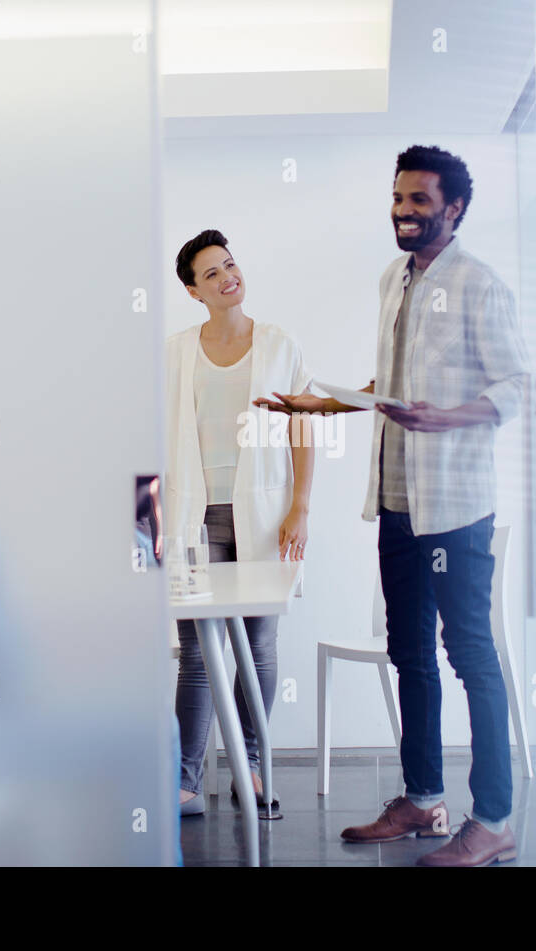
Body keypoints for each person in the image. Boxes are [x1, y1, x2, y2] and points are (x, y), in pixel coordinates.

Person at [255, 146, 531, 866]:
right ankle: (422, 798)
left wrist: (448, 418)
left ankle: (493, 820)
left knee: (469, 656)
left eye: (419, 201)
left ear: (455, 209)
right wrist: (318, 405)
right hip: (400, 503)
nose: (403, 212)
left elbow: (516, 386)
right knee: (409, 652)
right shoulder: (393, 279)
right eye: (398, 198)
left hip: (457, 509)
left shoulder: (480, 285)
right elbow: (394, 381)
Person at [166, 229, 315, 816]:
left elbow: (303, 427)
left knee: (258, 647)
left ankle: (249, 767)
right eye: (211, 273)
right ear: (193, 291)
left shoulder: (279, 345)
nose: (228, 277)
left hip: (265, 514)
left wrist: (301, 506)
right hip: (195, 518)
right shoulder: (175, 352)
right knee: (199, 654)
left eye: (229, 265)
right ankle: (185, 779)